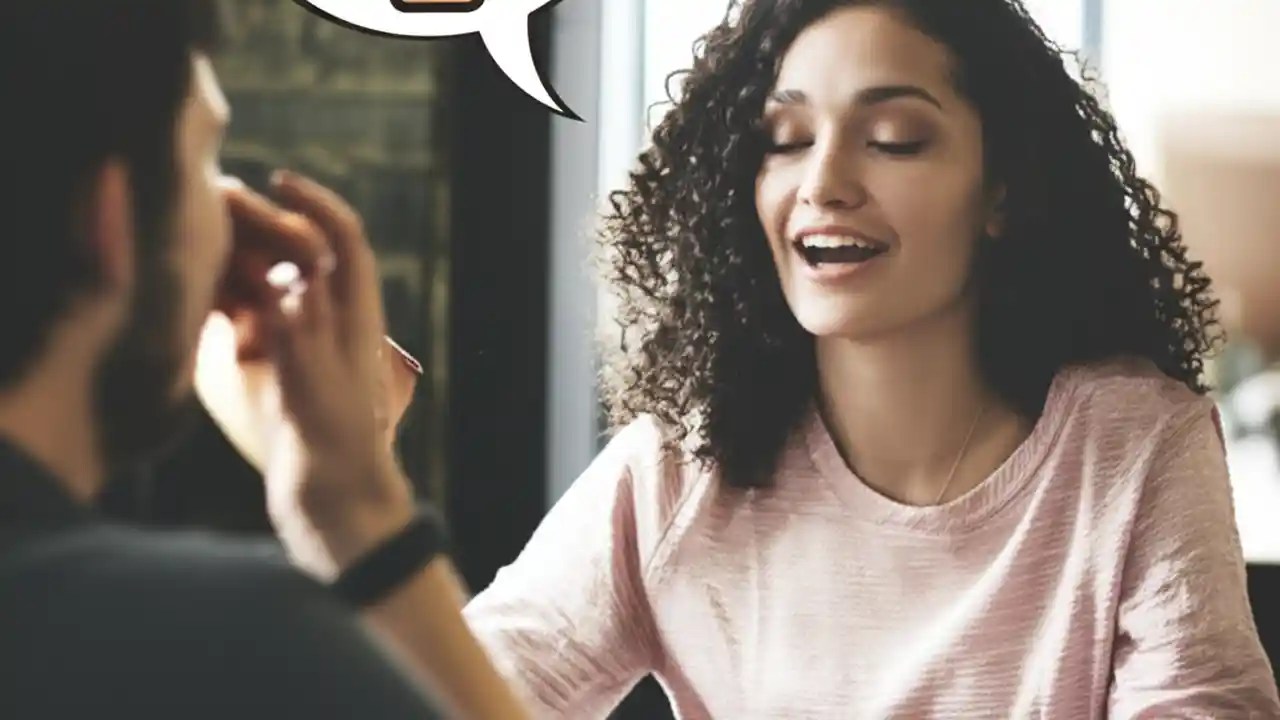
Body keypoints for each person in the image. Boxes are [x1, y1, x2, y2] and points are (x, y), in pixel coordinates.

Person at [267, 0, 1280, 717]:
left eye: (892, 138)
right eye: (783, 139)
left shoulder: (1133, 446)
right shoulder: (674, 473)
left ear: (1003, 191)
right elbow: (457, 702)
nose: (823, 181)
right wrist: (350, 487)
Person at [0, 2, 528, 718]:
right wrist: (359, 514)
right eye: (203, 160)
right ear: (112, 220)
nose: (229, 210)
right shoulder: (229, 644)